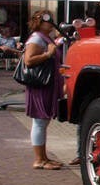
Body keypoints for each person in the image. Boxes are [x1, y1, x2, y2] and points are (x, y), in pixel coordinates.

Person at [21, 10, 66, 169]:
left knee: (43, 122)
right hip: (40, 86)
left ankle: (44, 157)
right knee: (39, 121)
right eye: (49, 21)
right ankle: (39, 159)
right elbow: (29, 60)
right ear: (40, 23)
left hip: (48, 85)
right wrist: (48, 54)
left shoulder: (45, 38)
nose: (52, 23)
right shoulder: (36, 38)